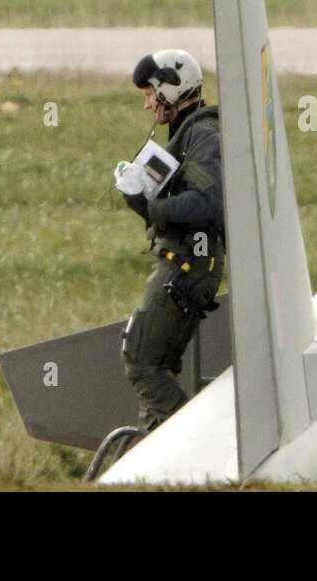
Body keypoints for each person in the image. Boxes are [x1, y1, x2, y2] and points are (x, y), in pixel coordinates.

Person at [119, 49, 226, 432]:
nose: (148, 105)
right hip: (183, 264)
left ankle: (192, 449)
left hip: (188, 266)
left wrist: (150, 210)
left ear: (171, 89)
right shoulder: (189, 134)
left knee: (142, 361)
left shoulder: (201, 134)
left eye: (150, 94)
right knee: (153, 362)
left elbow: (206, 202)